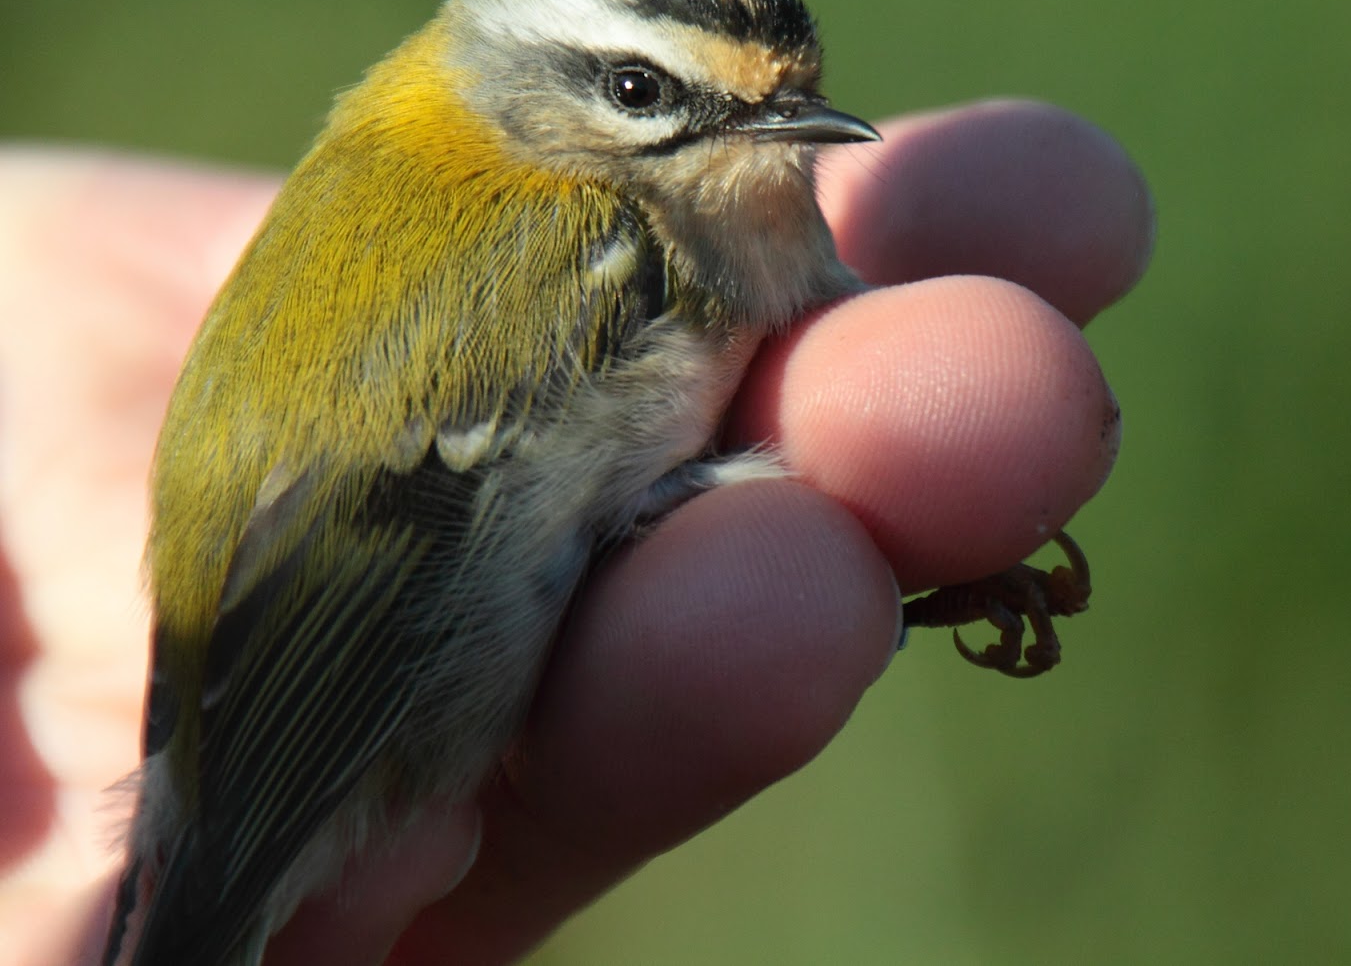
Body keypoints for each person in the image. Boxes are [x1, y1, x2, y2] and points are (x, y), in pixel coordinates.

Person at [0, 99, 1153, 965]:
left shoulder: (664, 194)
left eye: (782, 94)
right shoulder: (590, 239)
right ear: (528, 91)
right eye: (650, 94)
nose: (764, 131)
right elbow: (569, 529)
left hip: (244, 654)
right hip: (331, 657)